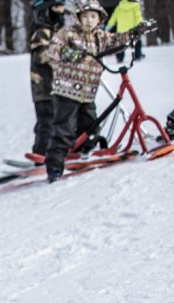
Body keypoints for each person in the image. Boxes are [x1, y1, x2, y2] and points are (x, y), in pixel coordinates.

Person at [44, 0, 153, 181]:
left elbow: (118, 40)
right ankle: (54, 166)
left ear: (99, 18)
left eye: (93, 17)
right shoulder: (67, 33)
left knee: (90, 126)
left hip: (88, 92)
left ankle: (85, 153)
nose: (89, 21)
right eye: (85, 16)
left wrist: (136, 31)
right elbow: (52, 49)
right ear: (77, 18)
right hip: (66, 91)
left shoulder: (101, 36)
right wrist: (67, 53)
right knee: (64, 129)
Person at [28, 0, 68, 158]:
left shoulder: (58, 30)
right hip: (43, 84)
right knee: (47, 120)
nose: (61, 10)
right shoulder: (41, 30)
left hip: (57, 84)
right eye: (56, 7)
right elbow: (42, 55)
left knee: (58, 119)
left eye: (62, 6)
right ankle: (41, 154)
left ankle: (56, 150)